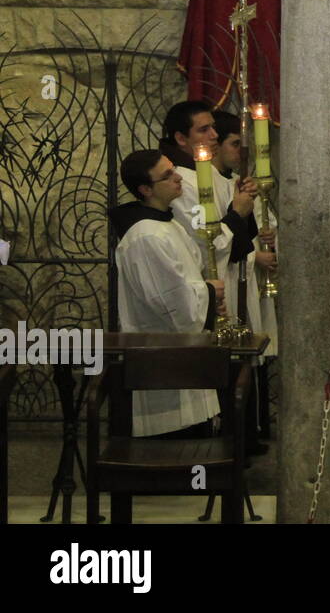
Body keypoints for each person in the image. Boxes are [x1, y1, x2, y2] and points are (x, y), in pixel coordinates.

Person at [110, 149, 224, 437]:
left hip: (185, 361)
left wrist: (208, 294)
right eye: (167, 175)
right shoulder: (146, 235)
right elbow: (173, 305)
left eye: (173, 169)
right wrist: (210, 293)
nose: (177, 178)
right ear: (145, 190)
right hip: (163, 370)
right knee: (177, 450)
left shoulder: (168, 225)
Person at [212, 109, 278, 453]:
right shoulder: (204, 182)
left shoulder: (236, 182)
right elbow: (213, 244)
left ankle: (252, 433)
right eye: (235, 144)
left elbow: (258, 230)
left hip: (249, 282)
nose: (240, 152)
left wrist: (270, 238)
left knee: (253, 357)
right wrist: (255, 256)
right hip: (230, 281)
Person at [159, 100, 258, 312]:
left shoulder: (208, 171)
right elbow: (206, 244)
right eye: (204, 130)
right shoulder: (178, 182)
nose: (214, 135)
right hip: (204, 289)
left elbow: (234, 230)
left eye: (213, 127)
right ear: (180, 138)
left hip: (230, 277)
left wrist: (242, 199)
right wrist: (238, 212)